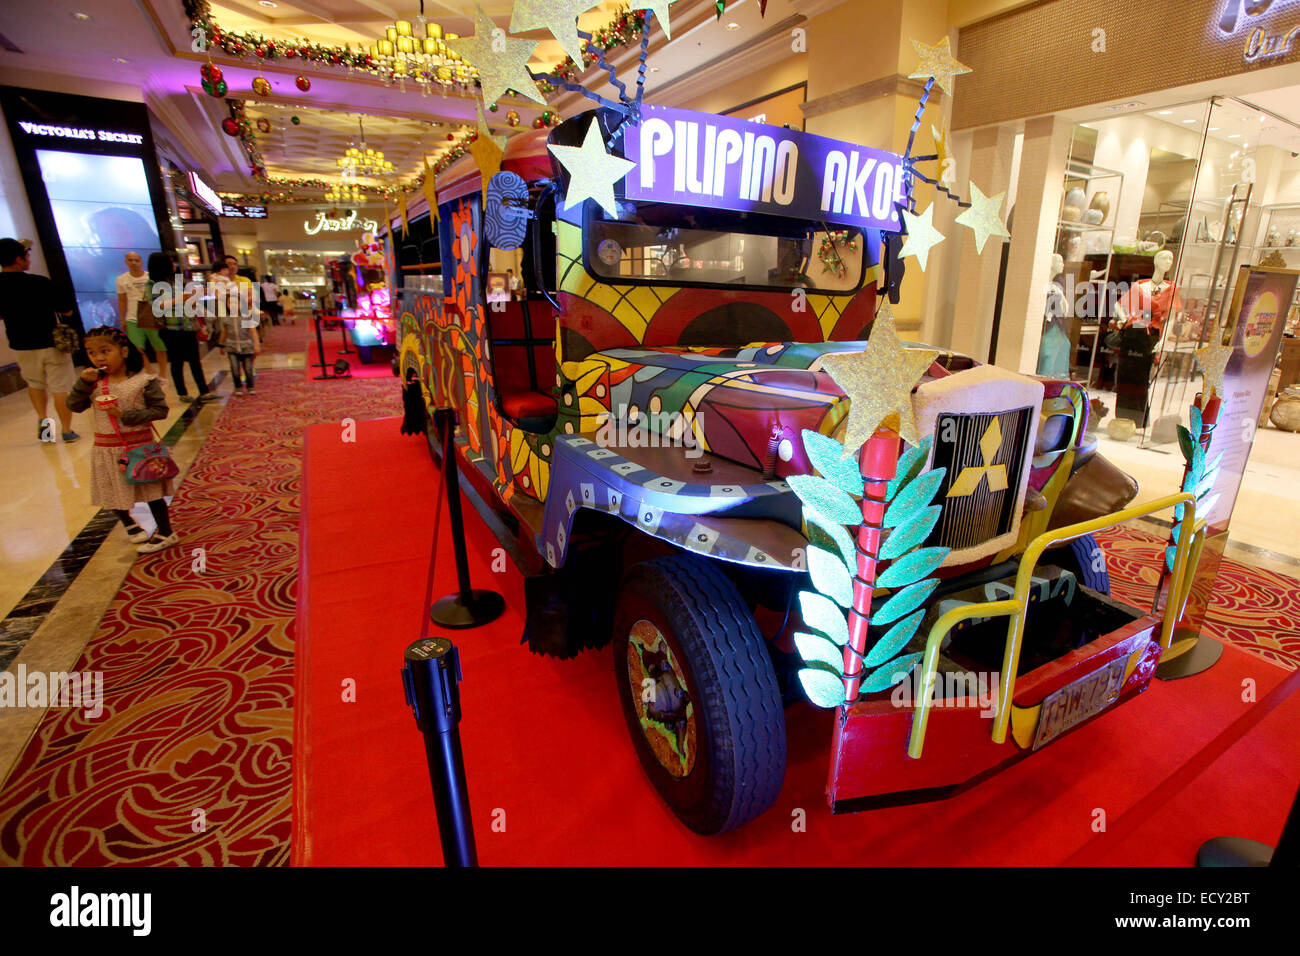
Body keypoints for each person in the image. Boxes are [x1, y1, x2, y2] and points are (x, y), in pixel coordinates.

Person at [66, 326, 178, 553]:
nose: (98, 358)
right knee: (112, 490)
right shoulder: (94, 383)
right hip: (106, 447)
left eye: (105, 351)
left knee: (151, 490)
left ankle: (166, 531)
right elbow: (74, 406)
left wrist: (125, 415)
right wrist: (83, 384)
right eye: (91, 353)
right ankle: (129, 524)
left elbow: (160, 410)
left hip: (140, 446)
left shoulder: (144, 382)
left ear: (124, 352)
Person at [0, 237, 81, 442]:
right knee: (60, 387)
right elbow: (67, 310)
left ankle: (45, 426)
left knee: (35, 384)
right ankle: (66, 430)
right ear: (18, 259)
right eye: (26, 256)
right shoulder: (39, 282)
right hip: (51, 343)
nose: (28, 259)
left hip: (20, 344)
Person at [150, 251, 214, 403]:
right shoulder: (153, 283)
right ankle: (182, 393)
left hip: (187, 326)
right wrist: (180, 298)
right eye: (171, 262)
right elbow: (157, 305)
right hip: (170, 329)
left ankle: (204, 392)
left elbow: (189, 301)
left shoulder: (176, 282)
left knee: (195, 361)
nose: (174, 265)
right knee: (177, 362)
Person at [117, 251, 168, 382]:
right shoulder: (121, 280)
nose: (133, 263)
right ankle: (150, 372)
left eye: (136, 260)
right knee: (138, 348)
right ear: (126, 262)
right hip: (133, 318)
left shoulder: (150, 277)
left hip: (152, 316)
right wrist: (122, 318)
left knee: (160, 346)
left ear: (141, 262)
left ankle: (163, 374)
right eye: (130, 260)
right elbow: (122, 300)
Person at [218, 303, 261, 396]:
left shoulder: (246, 318)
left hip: (246, 346)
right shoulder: (226, 319)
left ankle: (250, 387)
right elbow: (224, 334)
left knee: (248, 368)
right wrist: (221, 345)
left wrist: (256, 344)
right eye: (230, 302)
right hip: (231, 347)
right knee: (234, 368)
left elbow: (253, 332)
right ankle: (238, 387)